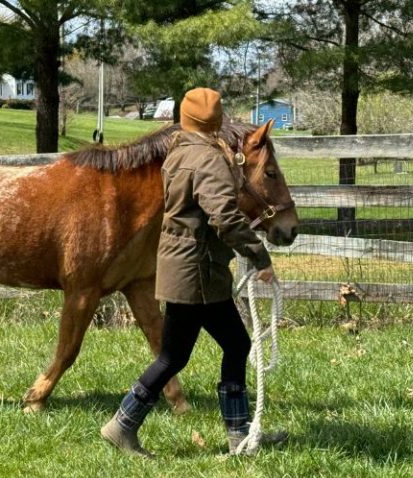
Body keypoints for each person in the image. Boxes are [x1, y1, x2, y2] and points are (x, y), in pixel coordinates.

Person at [100, 87, 287, 457]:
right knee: (229, 345)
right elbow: (225, 216)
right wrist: (259, 257)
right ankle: (233, 434)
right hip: (198, 273)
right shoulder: (207, 160)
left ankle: (126, 426)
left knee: (177, 355)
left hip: (183, 266)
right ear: (218, 121)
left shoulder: (180, 152)